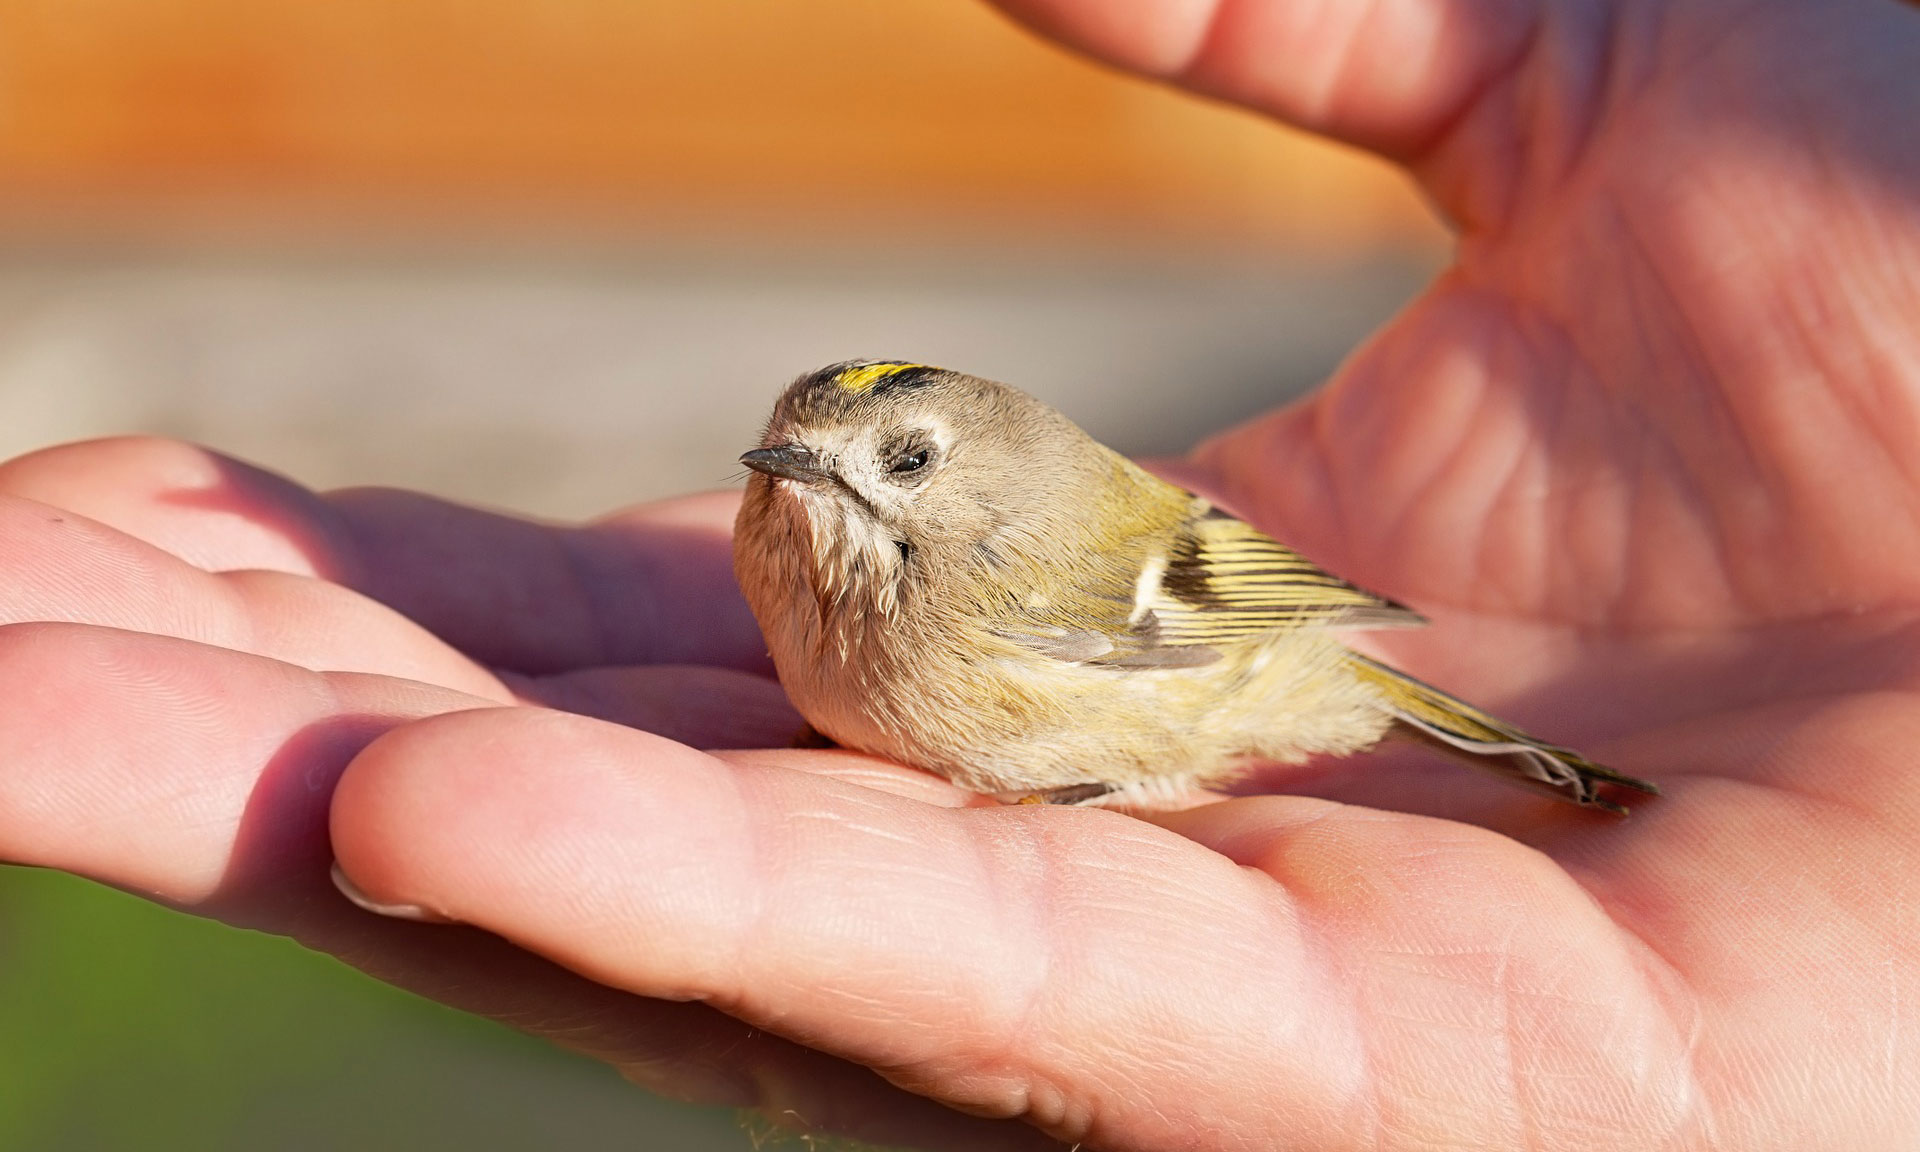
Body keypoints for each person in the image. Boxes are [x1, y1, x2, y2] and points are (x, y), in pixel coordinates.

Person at [1, 0, 1915, 1146]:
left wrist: (1232, 702)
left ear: (964, 490)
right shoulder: (805, 560)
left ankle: (1527, 769)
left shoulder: (998, 579)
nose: (813, 481)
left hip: (1243, 663)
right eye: (798, 450)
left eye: (885, 463)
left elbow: (1233, 592)